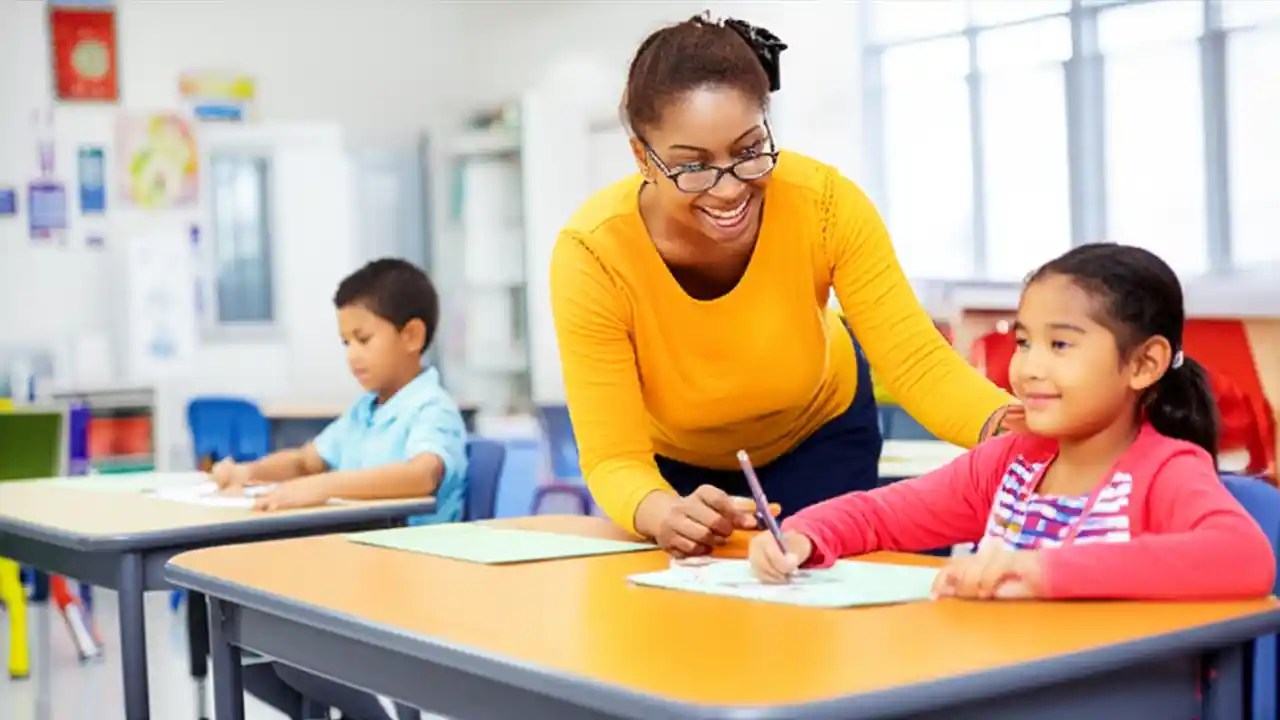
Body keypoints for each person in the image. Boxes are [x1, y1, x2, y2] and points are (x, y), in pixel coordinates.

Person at [550, 13, 1018, 555]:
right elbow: (614, 457)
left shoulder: (822, 203)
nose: (728, 189)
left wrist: (1018, 431)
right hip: (675, 475)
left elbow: (916, 362)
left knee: (841, 609)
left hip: (822, 436)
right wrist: (661, 511)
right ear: (643, 159)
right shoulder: (593, 253)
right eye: (693, 166)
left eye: (749, 150)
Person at [750, 244, 1276, 601]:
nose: (1029, 367)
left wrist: (1044, 572)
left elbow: (1245, 558)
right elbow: (879, 516)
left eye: (1061, 345)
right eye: (1025, 341)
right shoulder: (1010, 463)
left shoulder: (1166, 470)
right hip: (1010, 682)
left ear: (1144, 364)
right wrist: (801, 536)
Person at [211, 258, 468, 519]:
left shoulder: (433, 407)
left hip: (409, 554)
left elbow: (421, 476)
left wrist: (323, 486)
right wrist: (247, 473)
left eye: (363, 339)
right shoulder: (364, 411)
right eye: (346, 343)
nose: (352, 355)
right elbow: (305, 462)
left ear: (411, 335)